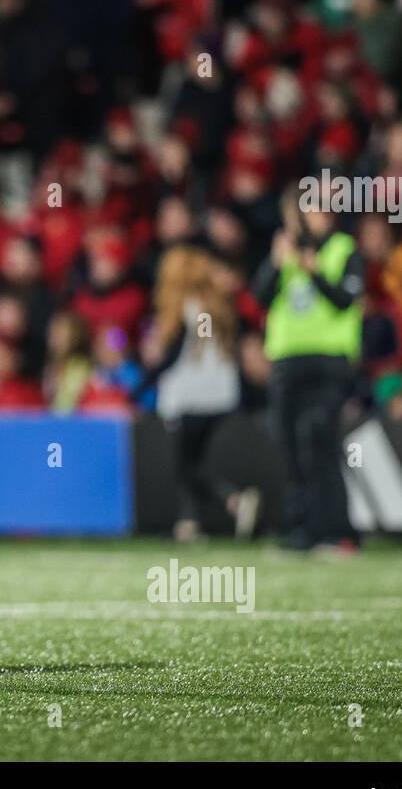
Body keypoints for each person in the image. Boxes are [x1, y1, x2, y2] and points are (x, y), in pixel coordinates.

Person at [253, 203, 364, 551]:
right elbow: (259, 296)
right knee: (289, 445)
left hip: (328, 361)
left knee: (318, 442)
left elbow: (346, 299)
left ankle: (338, 530)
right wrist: (276, 261)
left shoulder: (343, 249)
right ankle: (303, 531)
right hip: (287, 361)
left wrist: (314, 272)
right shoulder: (285, 251)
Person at [137, 245, 258, 541]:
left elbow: (172, 357)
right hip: (219, 396)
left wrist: (140, 385)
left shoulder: (184, 308)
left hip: (190, 398)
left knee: (185, 464)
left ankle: (230, 501)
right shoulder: (217, 307)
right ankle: (190, 521)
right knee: (193, 461)